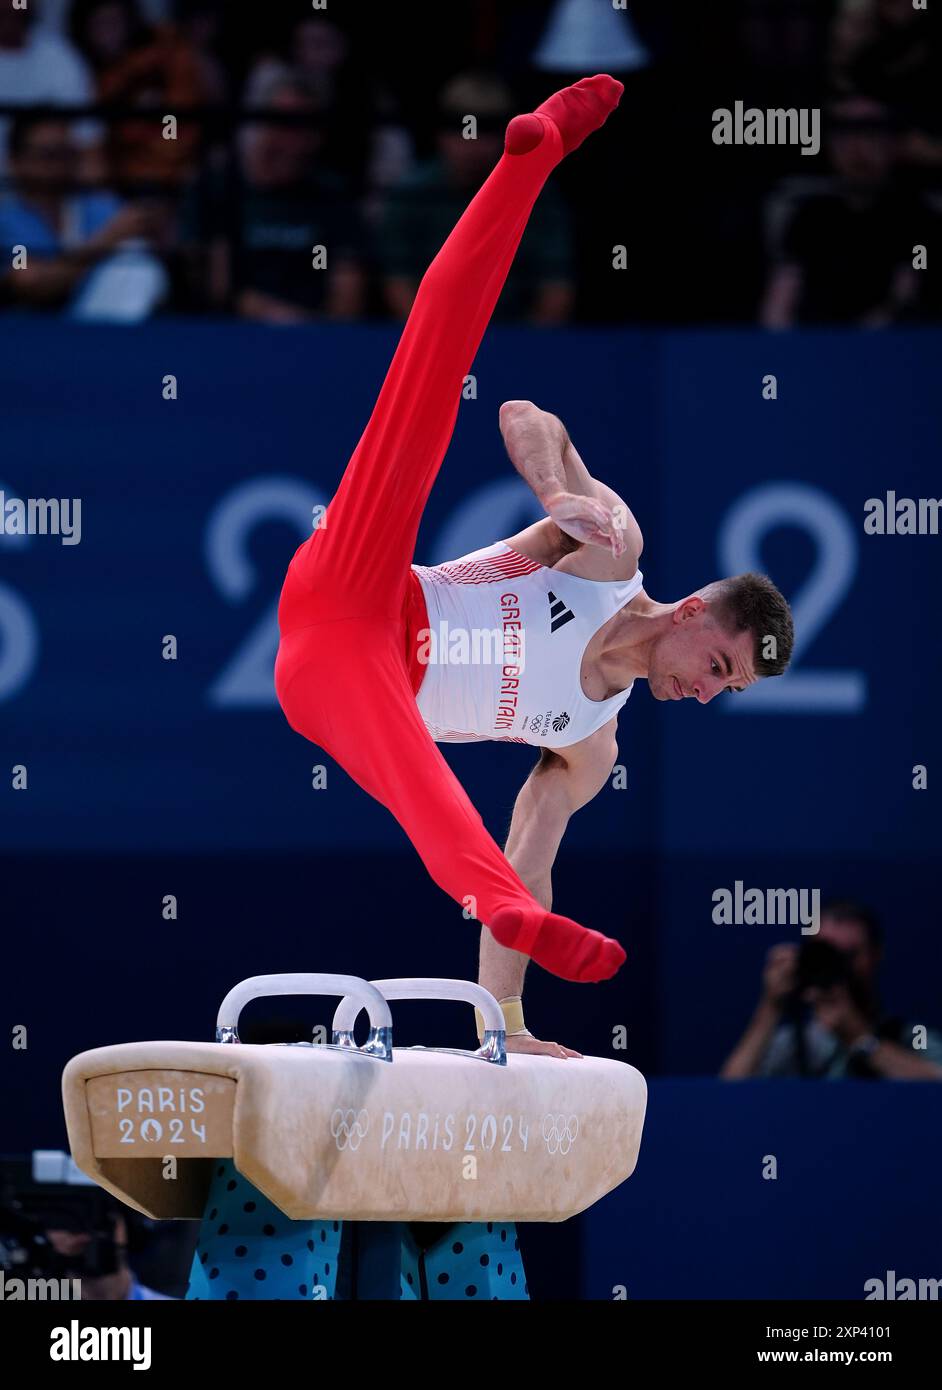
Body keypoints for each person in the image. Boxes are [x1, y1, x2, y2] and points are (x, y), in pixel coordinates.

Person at [274, 77, 795, 1052]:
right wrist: (559, 494)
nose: (710, 694)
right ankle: (530, 158)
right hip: (360, 584)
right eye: (723, 666)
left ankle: (500, 930)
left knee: (442, 804)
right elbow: (524, 414)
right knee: (425, 379)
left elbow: (534, 851)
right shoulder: (613, 553)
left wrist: (506, 1021)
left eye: (732, 689)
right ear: (691, 611)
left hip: (352, 683)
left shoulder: (592, 746)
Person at [720, 900, 942, 1080]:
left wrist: (859, 1038)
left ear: (876, 955)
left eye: (849, 955)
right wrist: (770, 1006)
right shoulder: (793, 1043)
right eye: (827, 954)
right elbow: (728, 1098)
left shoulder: (911, 1036)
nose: (839, 968)